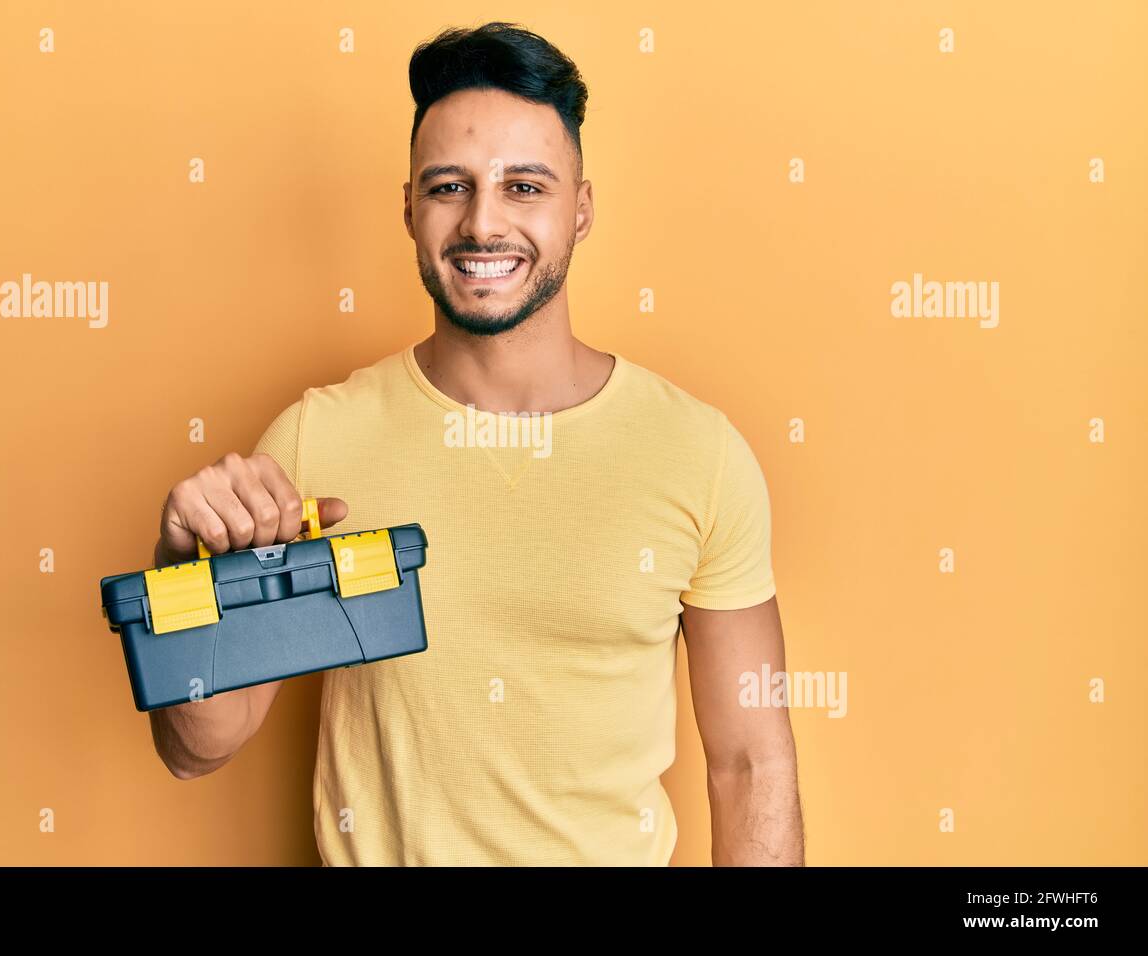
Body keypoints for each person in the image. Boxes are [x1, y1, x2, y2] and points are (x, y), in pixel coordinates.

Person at [148, 21, 803, 866]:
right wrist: (182, 580)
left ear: (583, 208)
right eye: (449, 187)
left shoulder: (698, 454)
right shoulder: (319, 440)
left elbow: (752, 763)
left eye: (525, 187)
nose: (482, 223)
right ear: (410, 208)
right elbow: (197, 744)